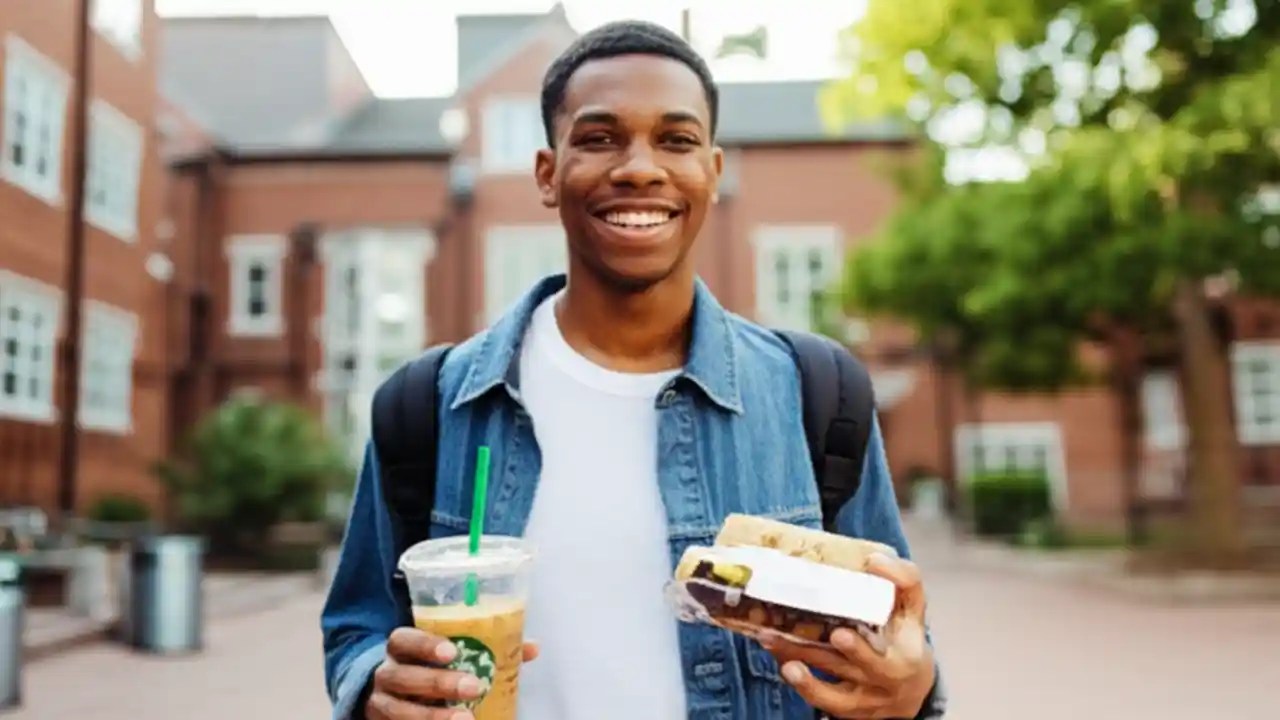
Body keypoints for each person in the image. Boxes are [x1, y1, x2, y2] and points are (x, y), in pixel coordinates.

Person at [322, 19, 945, 720]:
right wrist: (376, 686)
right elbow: (357, 629)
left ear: (712, 172)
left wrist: (914, 689)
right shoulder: (429, 406)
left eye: (675, 140)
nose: (640, 167)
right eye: (599, 138)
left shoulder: (818, 396)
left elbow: (894, 650)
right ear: (547, 174)